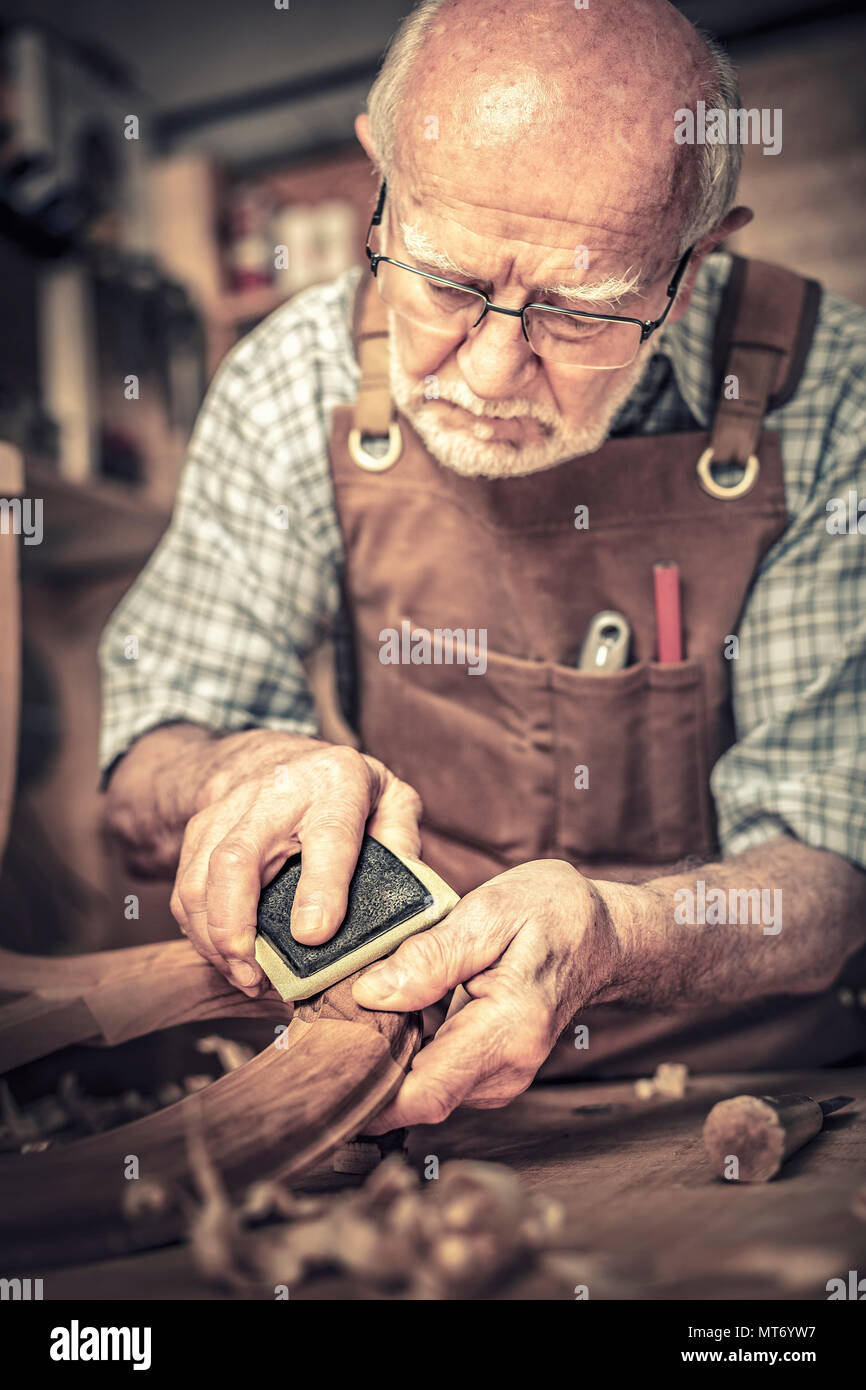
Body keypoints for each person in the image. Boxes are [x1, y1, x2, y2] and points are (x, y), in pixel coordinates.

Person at [100, 0, 866, 1132]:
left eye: (576, 311)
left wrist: (615, 942)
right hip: (408, 1089)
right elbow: (142, 758)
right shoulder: (288, 383)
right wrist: (236, 772)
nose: (497, 367)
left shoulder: (827, 397)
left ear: (696, 263)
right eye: (448, 283)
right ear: (381, 180)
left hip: (741, 1092)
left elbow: (834, 866)